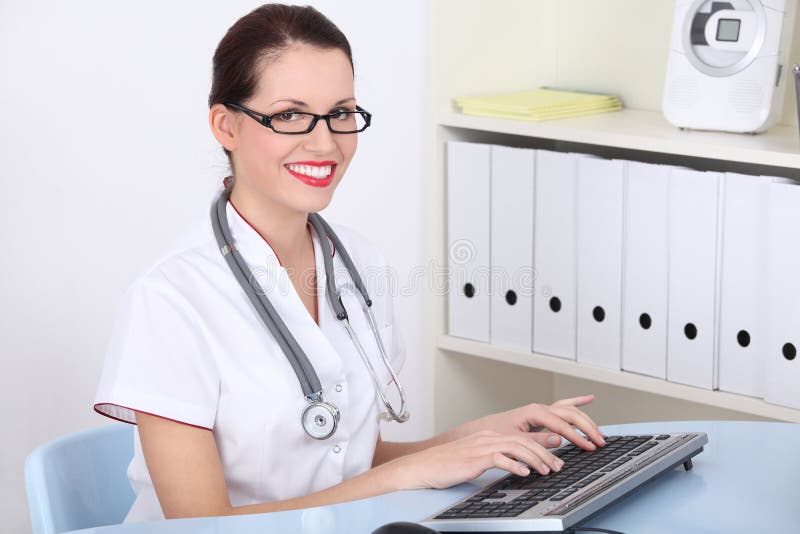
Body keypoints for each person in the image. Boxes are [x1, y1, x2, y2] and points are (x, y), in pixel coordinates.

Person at [93, 4, 606, 523]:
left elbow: (348, 463)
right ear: (226, 126)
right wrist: (404, 475)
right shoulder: (170, 300)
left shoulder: (360, 265)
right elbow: (202, 524)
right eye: (290, 115)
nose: (325, 142)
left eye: (341, 113)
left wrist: (480, 436)